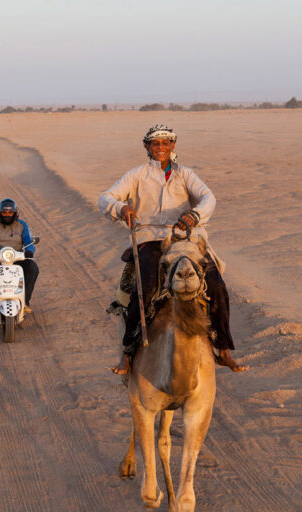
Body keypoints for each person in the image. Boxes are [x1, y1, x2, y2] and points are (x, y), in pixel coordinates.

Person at [98, 124, 243, 375]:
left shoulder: (186, 174)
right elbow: (105, 197)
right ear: (147, 147)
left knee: (216, 284)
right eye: (156, 144)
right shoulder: (136, 175)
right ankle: (128, 351)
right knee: (146, 288)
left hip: (186, 239)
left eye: (166, 143)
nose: (161, 148)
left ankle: (223, 348)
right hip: (150, 238)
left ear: (173, 146)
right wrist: (121, 208)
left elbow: (209, 198)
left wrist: (195, 215)